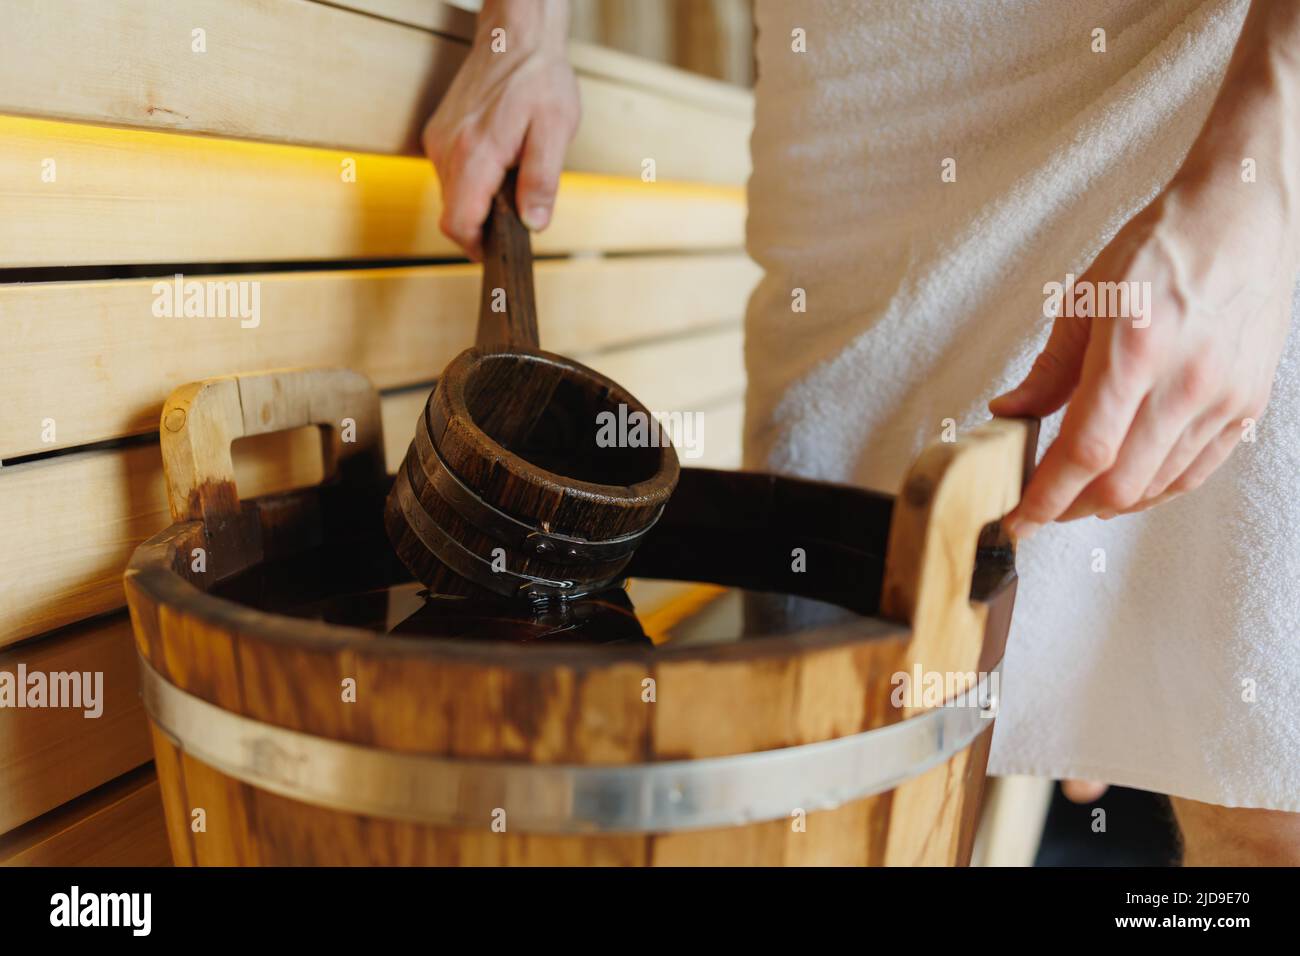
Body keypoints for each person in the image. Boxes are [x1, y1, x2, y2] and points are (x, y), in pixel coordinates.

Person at [423, 0, 1300, 865]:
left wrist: (1260, 178)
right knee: (847, 745)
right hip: (860, 109)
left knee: (1259, 786)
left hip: (1217, 88)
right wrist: (523, 29)